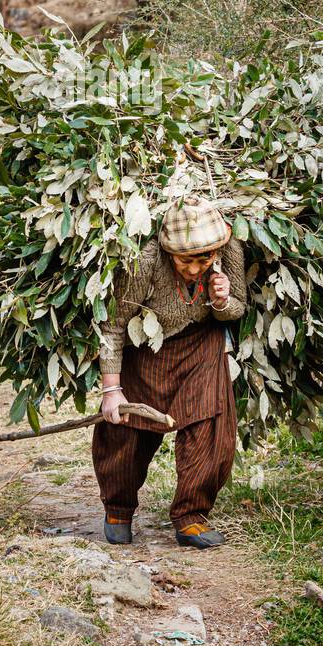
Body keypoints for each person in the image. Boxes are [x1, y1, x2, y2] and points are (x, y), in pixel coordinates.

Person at [92, 195, 247, 550]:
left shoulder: (230, 249)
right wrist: (111, 390)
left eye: (203, 259)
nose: (194, 269)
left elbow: (239, 307)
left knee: (210, 423)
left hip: (201, 346)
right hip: (146, 347)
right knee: (126, 428)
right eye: (185, 260)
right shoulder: (146, 260)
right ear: (168, 251)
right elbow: (114, 326)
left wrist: (222, 302)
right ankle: (118, 508)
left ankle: (191, 515)